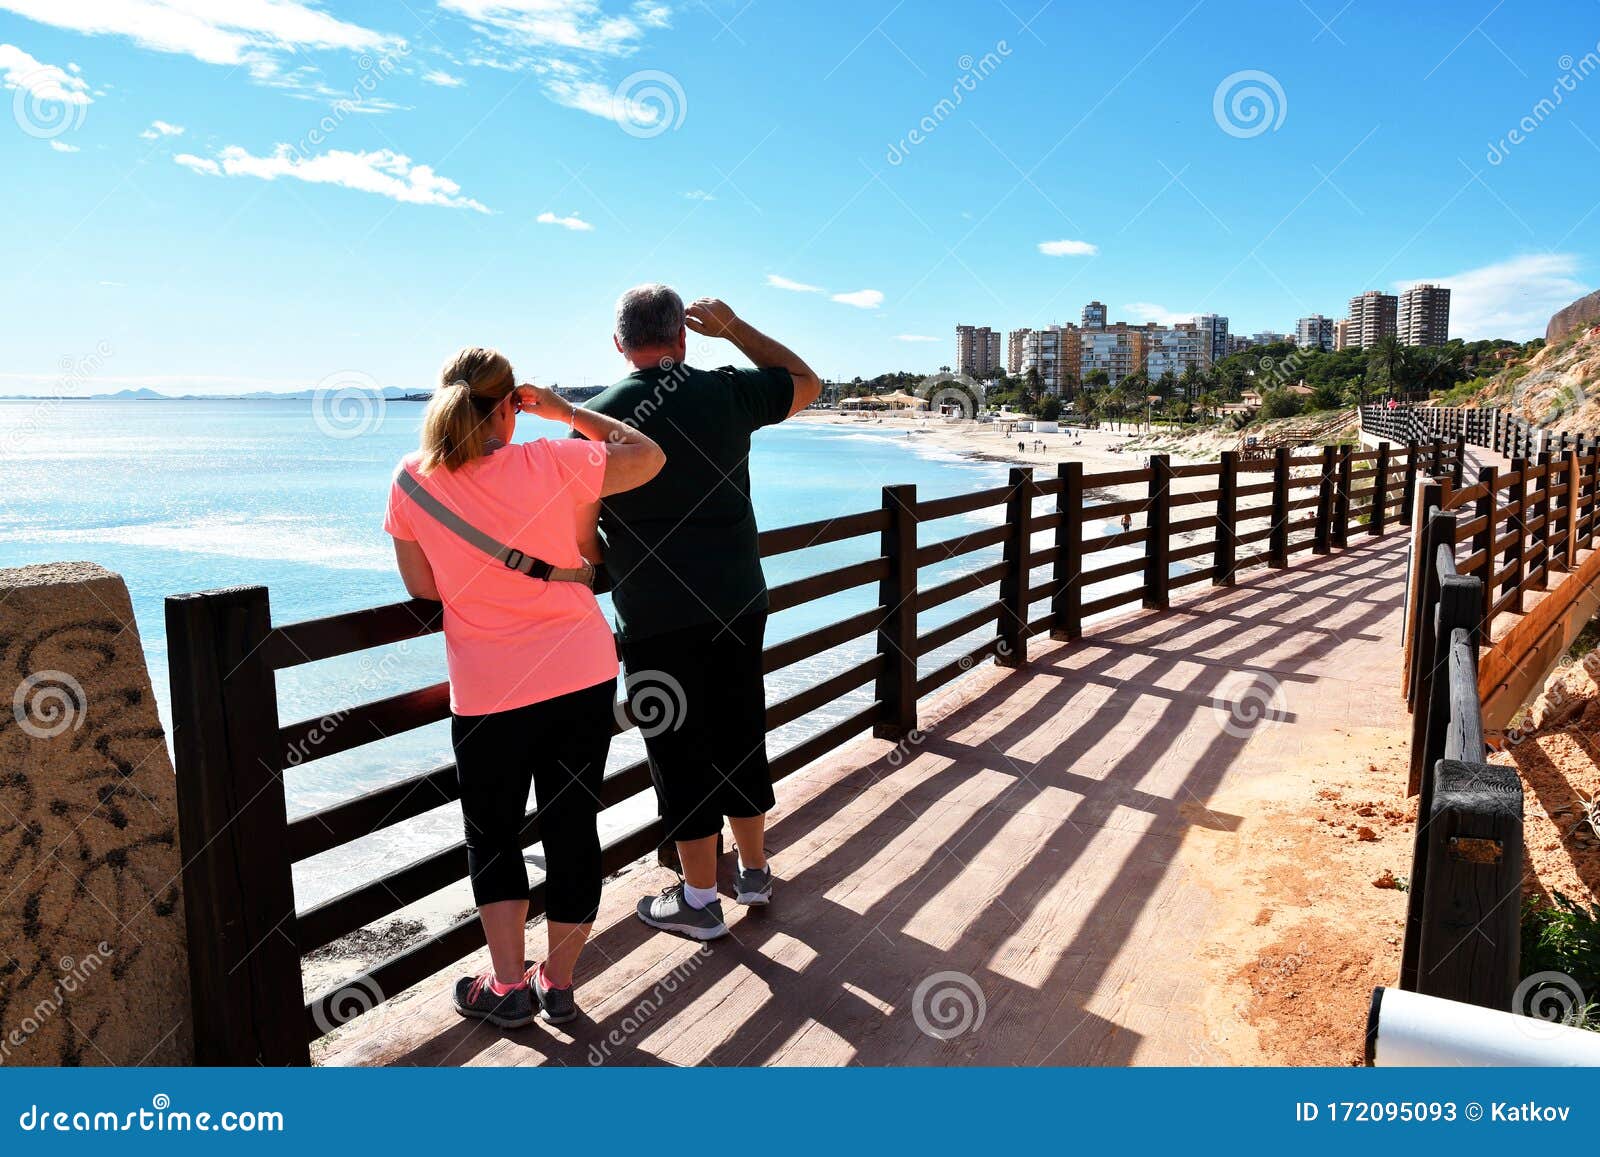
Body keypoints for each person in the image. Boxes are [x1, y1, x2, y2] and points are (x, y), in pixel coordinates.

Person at [385, 347, 664, 1027]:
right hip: (579, 673)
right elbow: (649, 455)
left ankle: (507, 986)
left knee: (494, 834)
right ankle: (560, 983)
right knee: (572, 825)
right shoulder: (553, 459)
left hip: (489, 690)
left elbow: (423, 588)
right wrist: (567, 411)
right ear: (511, 404)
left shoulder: (412, 480)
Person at [581, 285, 821, 941]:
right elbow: (806, 380)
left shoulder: (594, 418)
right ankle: (754, 871)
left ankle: (698, 898)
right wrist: (736, 326)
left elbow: (581, 532)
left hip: (655, 614)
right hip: (738, 600)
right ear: (684, 337)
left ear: (618, 344)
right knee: (742, 728)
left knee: (679, 748)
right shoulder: (726, 391)